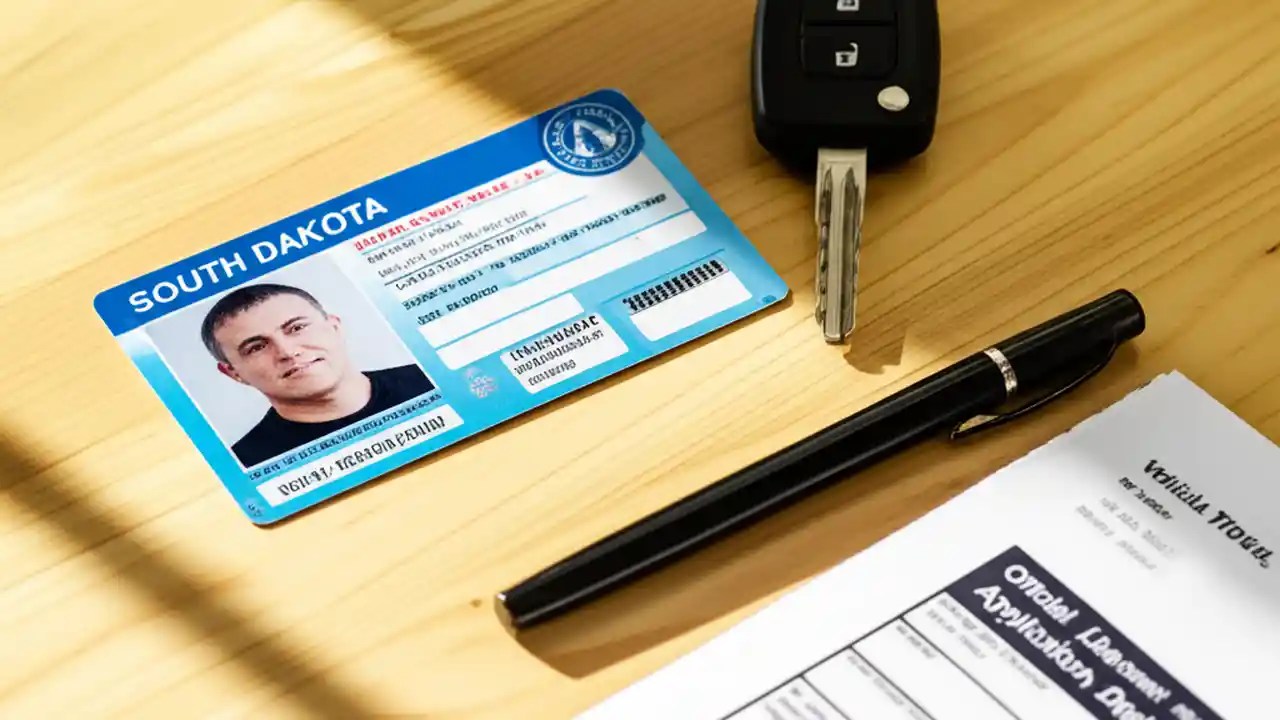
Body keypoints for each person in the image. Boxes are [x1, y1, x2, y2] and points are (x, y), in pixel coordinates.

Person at [200, 283, 434, 467]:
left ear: (334, 327)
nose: (288, 352)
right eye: (256, 347)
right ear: (233, 373)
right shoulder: (247, 464)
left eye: (297, 328)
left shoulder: (434, 378)